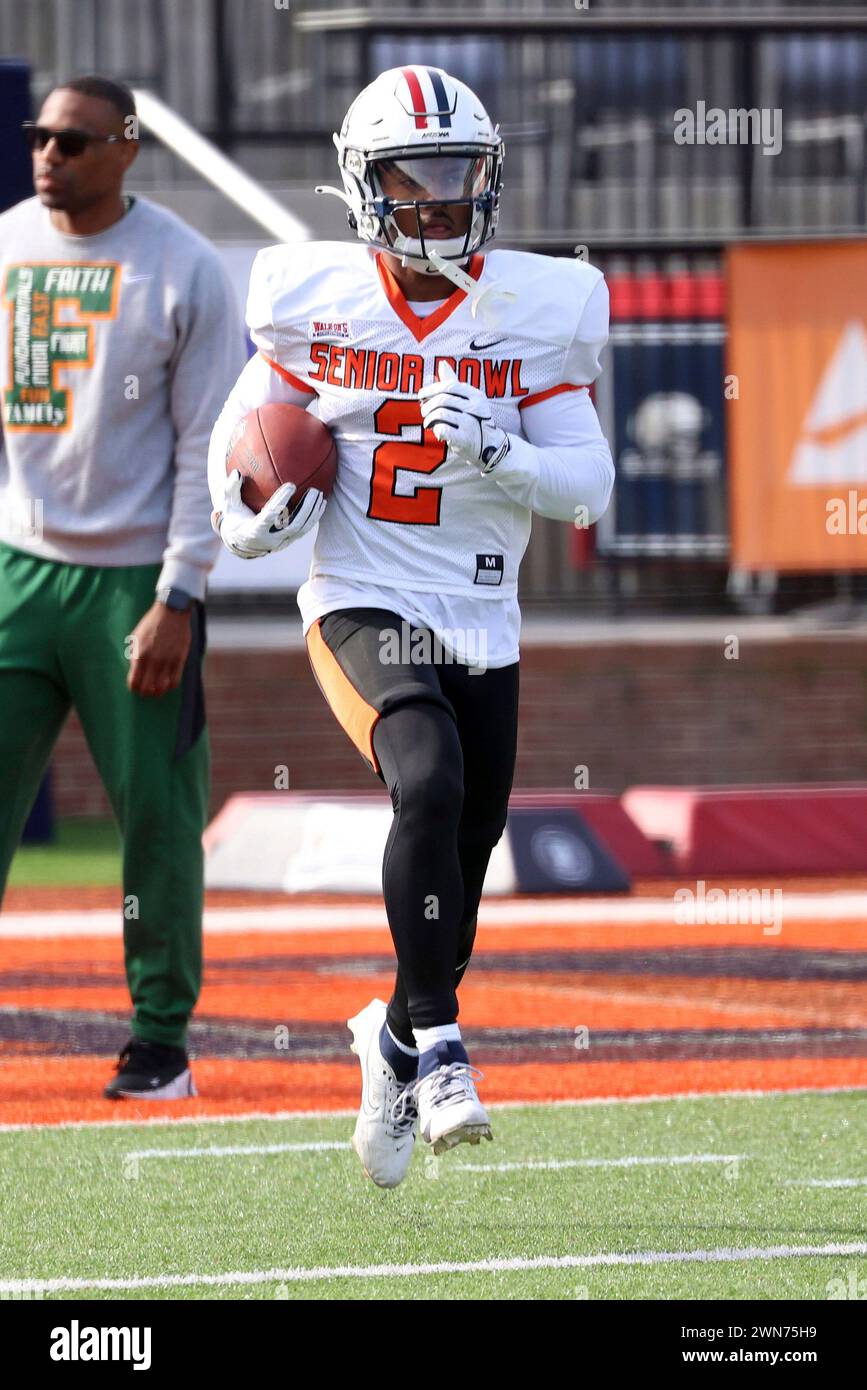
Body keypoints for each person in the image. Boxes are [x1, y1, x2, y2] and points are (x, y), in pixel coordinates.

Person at [209, 66, 614, 1184]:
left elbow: (590, 489)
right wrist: (243, 516)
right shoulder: (314, 299)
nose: (438, 203)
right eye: (413, 180)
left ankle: (390, 1037)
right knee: (424, 777)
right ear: (363, 187)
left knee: (461, 875)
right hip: (361, 595)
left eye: (457, 178)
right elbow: (249, 429)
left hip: (481, 613)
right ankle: (439, 1048)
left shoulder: (534, 312)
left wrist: (501, 449)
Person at [0, 75, 246, 1099]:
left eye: (72, 138)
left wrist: (181, 593)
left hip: (134, 583)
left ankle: (159, 1041)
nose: (48, 153)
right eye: (38, 136)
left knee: (154, 815)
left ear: (128, 147)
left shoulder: (183, 268)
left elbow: (208, 446)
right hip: (15, 565)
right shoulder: (8, 239)